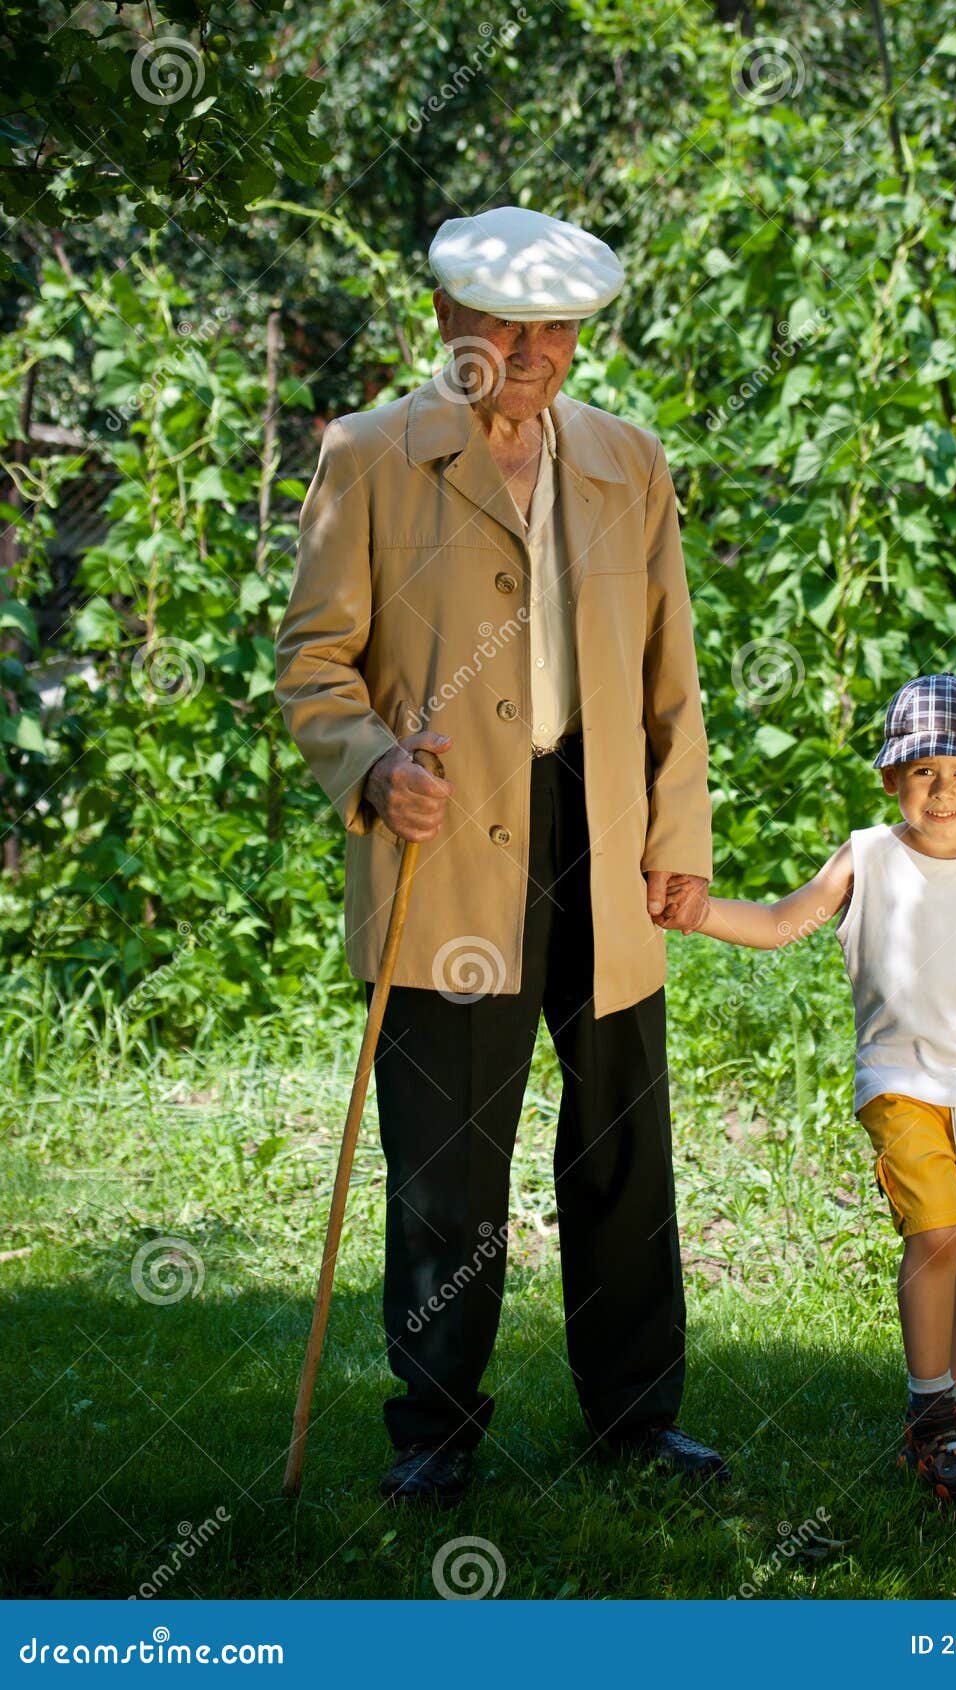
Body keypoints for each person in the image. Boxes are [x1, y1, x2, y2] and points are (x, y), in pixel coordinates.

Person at [274, 205, 730, 1506]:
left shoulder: (625, 462)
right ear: (445, 320)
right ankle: (433, 1430)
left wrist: (677, 840)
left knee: (623, 1146)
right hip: (448, 845)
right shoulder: (371, 454)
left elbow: (669, 679)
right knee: (444, 1168)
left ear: (579, 335)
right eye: (501, 323)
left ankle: (638, 1418)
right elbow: (314, 662)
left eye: (554, 329)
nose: (527, 350)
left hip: (602, 837)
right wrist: (371, 763)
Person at [671, 672, 956, 1503]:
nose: (944, 789)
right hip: (900, 1078)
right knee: (937, 1230)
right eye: (924, 770)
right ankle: (928, 1412)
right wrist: (702, 912)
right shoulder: (870, 855)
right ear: (891, 779)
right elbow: (783, 922)